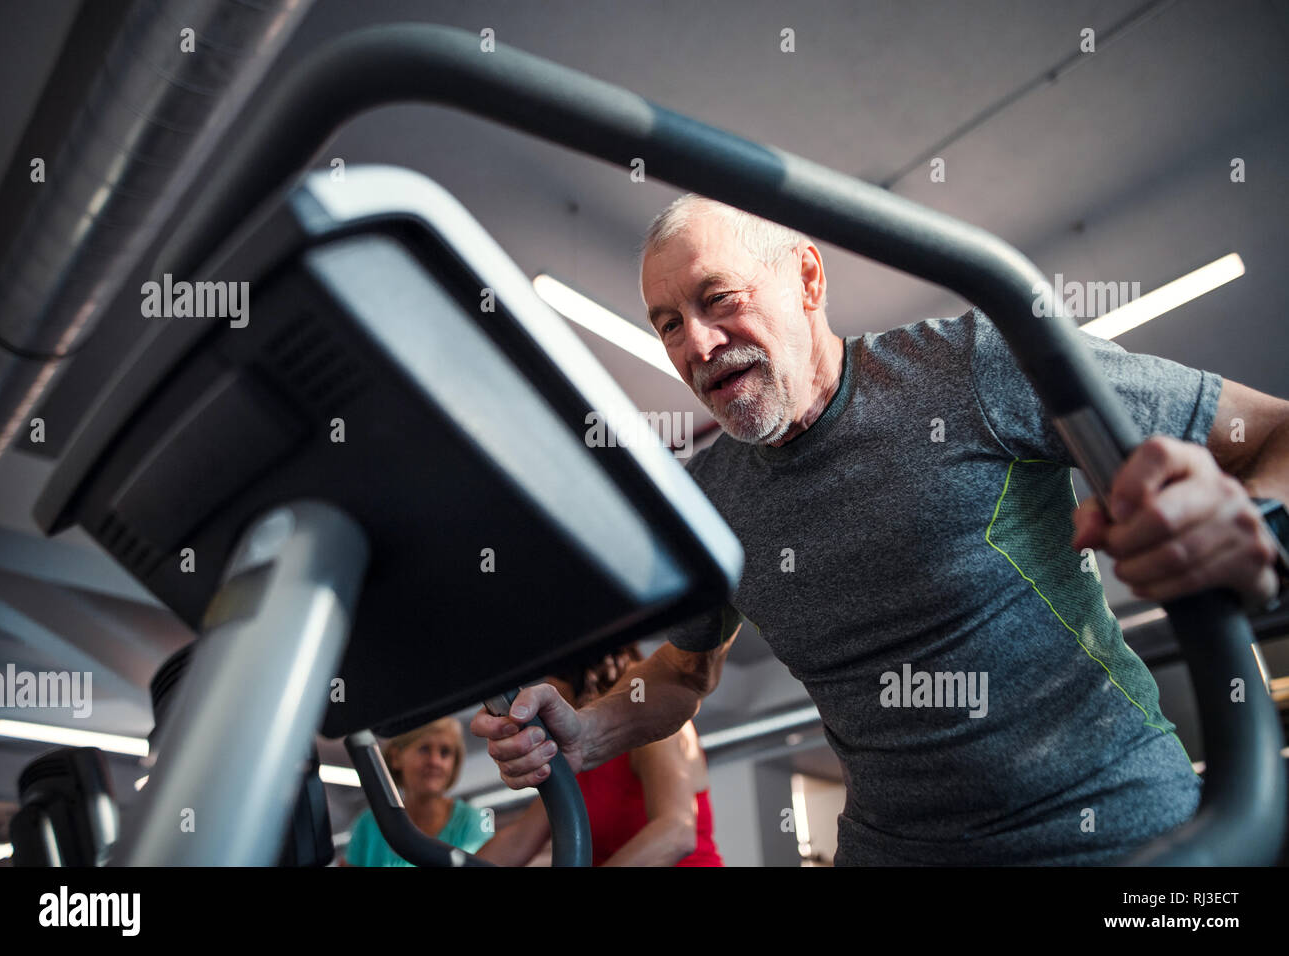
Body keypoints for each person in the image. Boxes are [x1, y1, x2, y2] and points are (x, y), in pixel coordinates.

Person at [473, 194, 1289, 866]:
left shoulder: (975, 364)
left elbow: (1274, 435)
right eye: (668, 324)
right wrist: (590, 730)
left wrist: (1247, 521)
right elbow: (686, 674)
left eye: (717, 300)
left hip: (1110, 826)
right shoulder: (708, 497)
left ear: (806, 277)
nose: (698, 344)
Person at [476, 645, 724, 867]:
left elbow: (677, 833)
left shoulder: (654, 724)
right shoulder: (580, 756)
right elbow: (520, 837)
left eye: (554, 679)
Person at [341, 717, 490, 865]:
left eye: (445, 752)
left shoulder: (472, 821)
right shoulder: (367, 825)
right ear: (396, 757)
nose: (435, 761)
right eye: (424, 749)